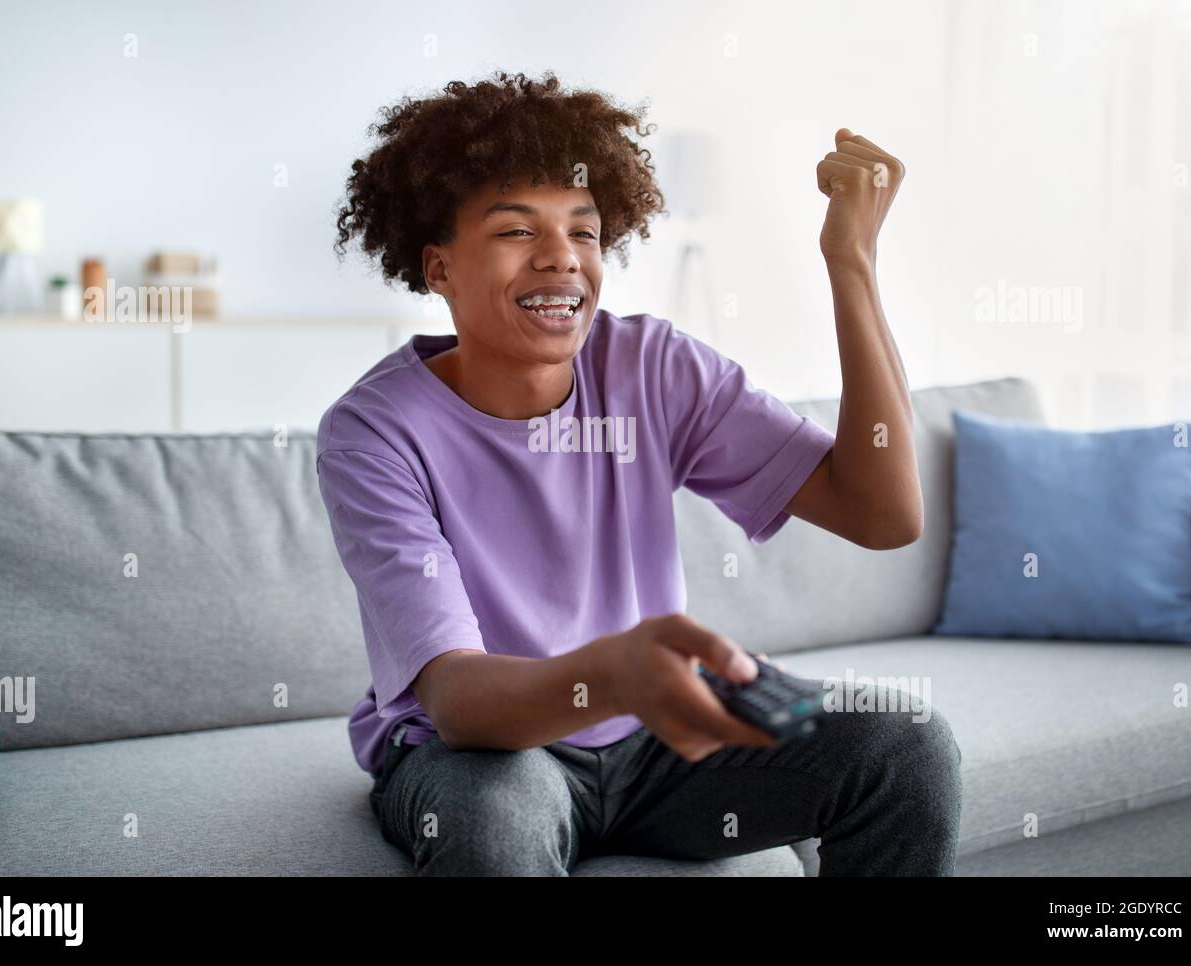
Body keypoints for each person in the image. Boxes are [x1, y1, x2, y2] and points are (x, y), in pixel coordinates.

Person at [318, 70, 961, 876]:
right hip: (489, 754)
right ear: (439, 266)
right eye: (518, 231)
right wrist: (614, 676)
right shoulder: (374, 432)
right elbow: (458, 703)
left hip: (656, 744)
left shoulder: (654, 368)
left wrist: (852, 264)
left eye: (583, 232)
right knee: (492, 830)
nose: (562, 259)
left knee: (906, 746)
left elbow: (883, 514)